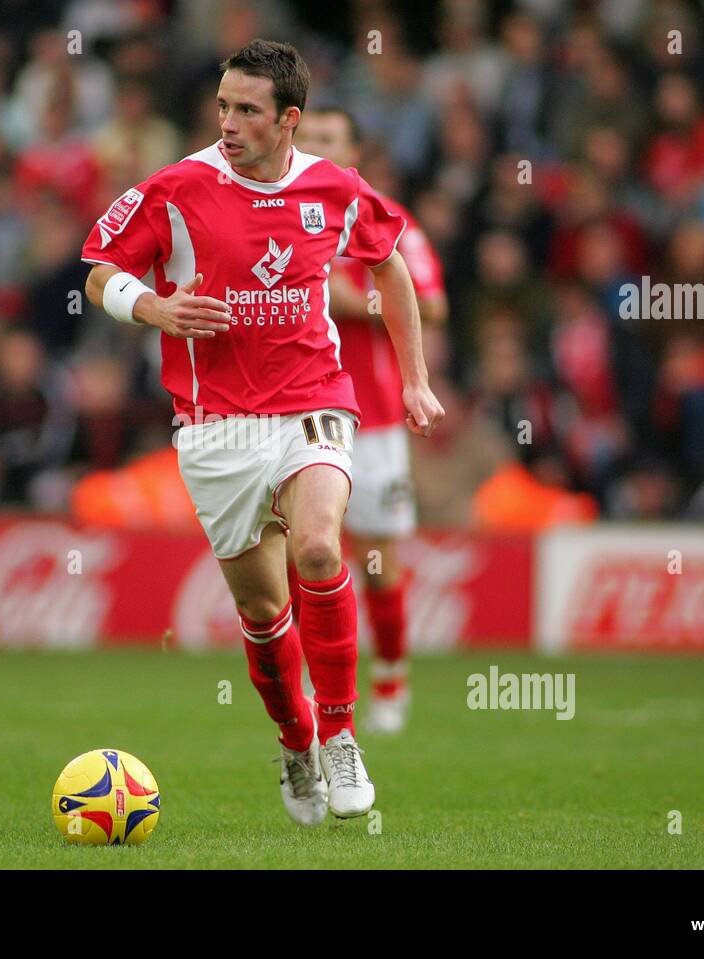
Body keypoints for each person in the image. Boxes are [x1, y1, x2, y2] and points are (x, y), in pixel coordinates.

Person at [81, 40, 444, 824]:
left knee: (319, 546)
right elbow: (99, 268)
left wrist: (414, 378)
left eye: (247, 110)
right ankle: (296, 737)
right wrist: (155, 309)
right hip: (216, 427)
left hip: (315, 400)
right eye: (222, 106)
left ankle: (343, 732)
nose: (229, 123)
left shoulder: (333, 188)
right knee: (259, 612)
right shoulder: (177, 187)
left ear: (290, 121)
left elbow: (392, 267)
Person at [294, 106, 447, 734]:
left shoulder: (384, 220)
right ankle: (316, 684)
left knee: (378, 561)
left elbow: (432, 306)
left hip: (375, 418)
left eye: (332, 140)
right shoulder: (272, 208)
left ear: (354, 151)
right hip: (298, 412)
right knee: (304, 553)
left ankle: (390, 680)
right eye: (310, 139)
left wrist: (351, 300)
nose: (319, 149)